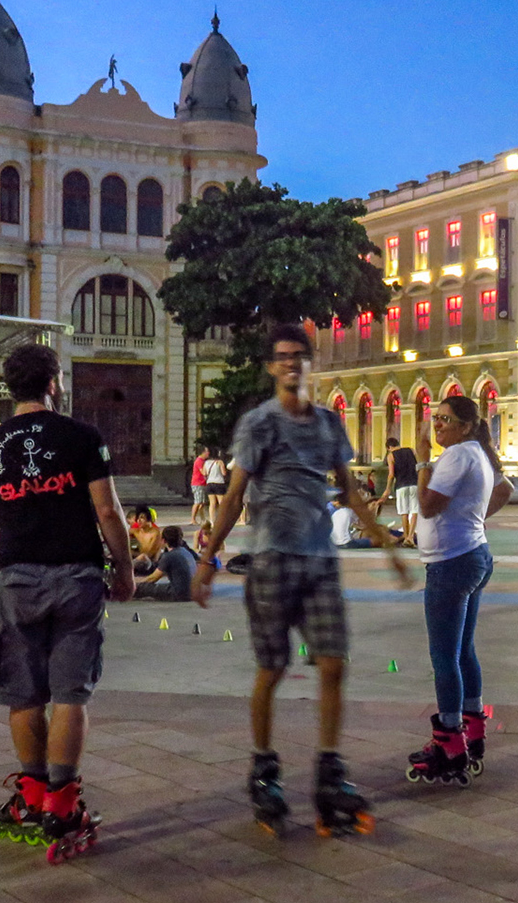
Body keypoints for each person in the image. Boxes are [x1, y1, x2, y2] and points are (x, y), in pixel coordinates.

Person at [193, 325, 409, 836]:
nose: (292, 364)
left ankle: (329, 769)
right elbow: (235, 496)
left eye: (300, 357)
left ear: (312, 364)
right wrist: (207, 560)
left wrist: (386, 545)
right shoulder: (258, 424)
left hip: (319, 562)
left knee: (333, 664)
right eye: (283, 357)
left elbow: (351, 490)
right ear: (272, 367)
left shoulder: (330, 423)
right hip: (270, 559)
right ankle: (264, 768)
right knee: (272, 669)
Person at [0, 343, 134, 856]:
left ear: (8, 386)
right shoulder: (82, 436)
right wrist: (123, 570)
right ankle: (62, 805)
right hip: (78, 578)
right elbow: (107, 512)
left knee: (23, 694)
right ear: (53, 382)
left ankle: (30, 796)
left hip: (18, 578)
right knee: (70, 694)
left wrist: (1, 573)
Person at [405, 394, 512, 785]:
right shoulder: (479, 453)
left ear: (465, 425)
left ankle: (449, 741)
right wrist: (473, 521)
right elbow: (506, 490)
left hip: (450, 563)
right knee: (463, 650)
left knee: (444, 657)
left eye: (446, 420)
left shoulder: (455, 456)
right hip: (473, 555)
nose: (437, 426)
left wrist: (420, 460)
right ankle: (473, 728)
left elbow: (428, 506)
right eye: (435, 419)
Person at [134, 524, 199, 602]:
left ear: (163, 540)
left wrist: (136, 583)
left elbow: (153, 578)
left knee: (142, 587)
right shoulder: (185, 551)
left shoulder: (169, 556)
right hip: (193, 592)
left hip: (178, 594)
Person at [386, 436, 419, 541]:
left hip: (401, 485)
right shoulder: (411, 450)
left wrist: (387, 489)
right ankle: (411, 536)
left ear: (389, 447)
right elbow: (418, 466)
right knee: (414, 511)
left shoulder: (391, 455)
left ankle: (406, 536)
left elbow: (391, 475)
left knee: (404, 512)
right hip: (414, 484)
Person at [203, 445, 228, 527]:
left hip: (209, 483)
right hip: (219, 483)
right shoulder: (220, 462)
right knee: (221, 502)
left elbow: (204, 473)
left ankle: (212, 521)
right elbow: (224, 473)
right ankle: (222, 519)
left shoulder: (206, 462)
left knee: (212, 503)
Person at [189, 446, 210, 525]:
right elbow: (203, 472)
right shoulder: (199, 461)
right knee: (198, 502)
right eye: (207, 451)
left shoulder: (203, 461)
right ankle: (193, 519)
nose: (208, 453)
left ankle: (202, 519)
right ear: (203, 452)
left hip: (202, 483)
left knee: (202, 502)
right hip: (198, 484)